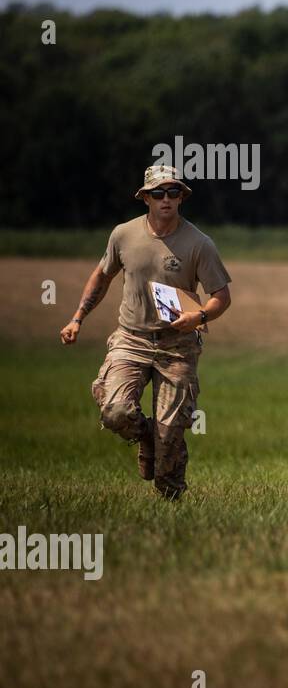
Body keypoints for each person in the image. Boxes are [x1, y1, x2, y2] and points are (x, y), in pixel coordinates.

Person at [59, 165, 232, 499]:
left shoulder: (199, 243)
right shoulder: (123, 235)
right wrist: (77, 317)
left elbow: (221, 297)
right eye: (158, 193)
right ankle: (146, 435)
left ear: (181, 197)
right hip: (131, 338)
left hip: (178, 345)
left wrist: (197, 318)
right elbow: (102, 276)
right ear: (145, 198)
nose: (166, 199)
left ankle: (171, 502)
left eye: (172, 192)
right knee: (115, 411)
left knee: (172, 434)